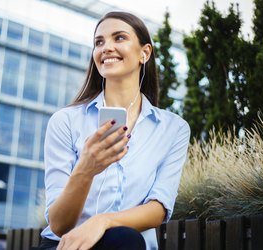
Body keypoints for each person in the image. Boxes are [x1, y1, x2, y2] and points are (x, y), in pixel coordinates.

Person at [38, 11, 190, 250]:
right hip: (67, 245)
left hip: (128, 245)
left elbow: (159, 208)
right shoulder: (65, 121)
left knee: (124, 239)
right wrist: (86, 169)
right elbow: (59, 224)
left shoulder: (173, 128)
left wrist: (102, 222)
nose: (106, 47)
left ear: (145, 53)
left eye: (119, 38)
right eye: (99, 42)